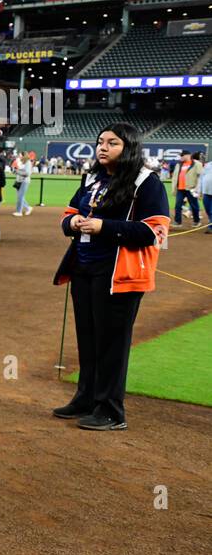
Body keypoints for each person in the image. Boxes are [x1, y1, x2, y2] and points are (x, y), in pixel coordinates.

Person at [52, 123, 170, 431]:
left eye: (112, 143)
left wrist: (104, 227)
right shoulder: (91, 178)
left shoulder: (147, 182)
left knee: (112, 343)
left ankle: (111, 410)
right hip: (84, 267)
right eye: (100, 142)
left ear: (128, 147)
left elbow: (154, 231)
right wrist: (74, 221)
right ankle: (87, 397)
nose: (102, 147)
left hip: (120, 273)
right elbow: (67, 215)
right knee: (88, 337)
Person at [171, 150, 202, 226]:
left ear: (188, 155)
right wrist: (174, 188)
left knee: (194, 205)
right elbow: (175, 176)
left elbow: (200, 177)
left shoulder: (197, 164)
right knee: (178, 205)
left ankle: (196, 221)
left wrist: (197, 188)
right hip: (180, 188)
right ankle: (178, 222)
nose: (181, 157)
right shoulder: (179, 164)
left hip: (191, 188)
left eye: (182, 155)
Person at [12, 151, 34, 216]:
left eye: (20, 155)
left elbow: (27, 173)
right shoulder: (22, 162)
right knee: (20, 196)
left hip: (24, 181)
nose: (19, 156)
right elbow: (22, 171)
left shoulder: (28, 162)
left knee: (20, 197)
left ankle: (19, 212)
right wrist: (16, 170)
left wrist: (17, 172)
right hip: (19, 181)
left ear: (24, 156)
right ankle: (28, 208)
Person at [199, 154, 212, 235]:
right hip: (206, 191)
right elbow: (201, 177)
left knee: (211, 211)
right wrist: (200, 191)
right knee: (207, 209)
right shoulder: (208, 165)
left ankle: (210, 227)